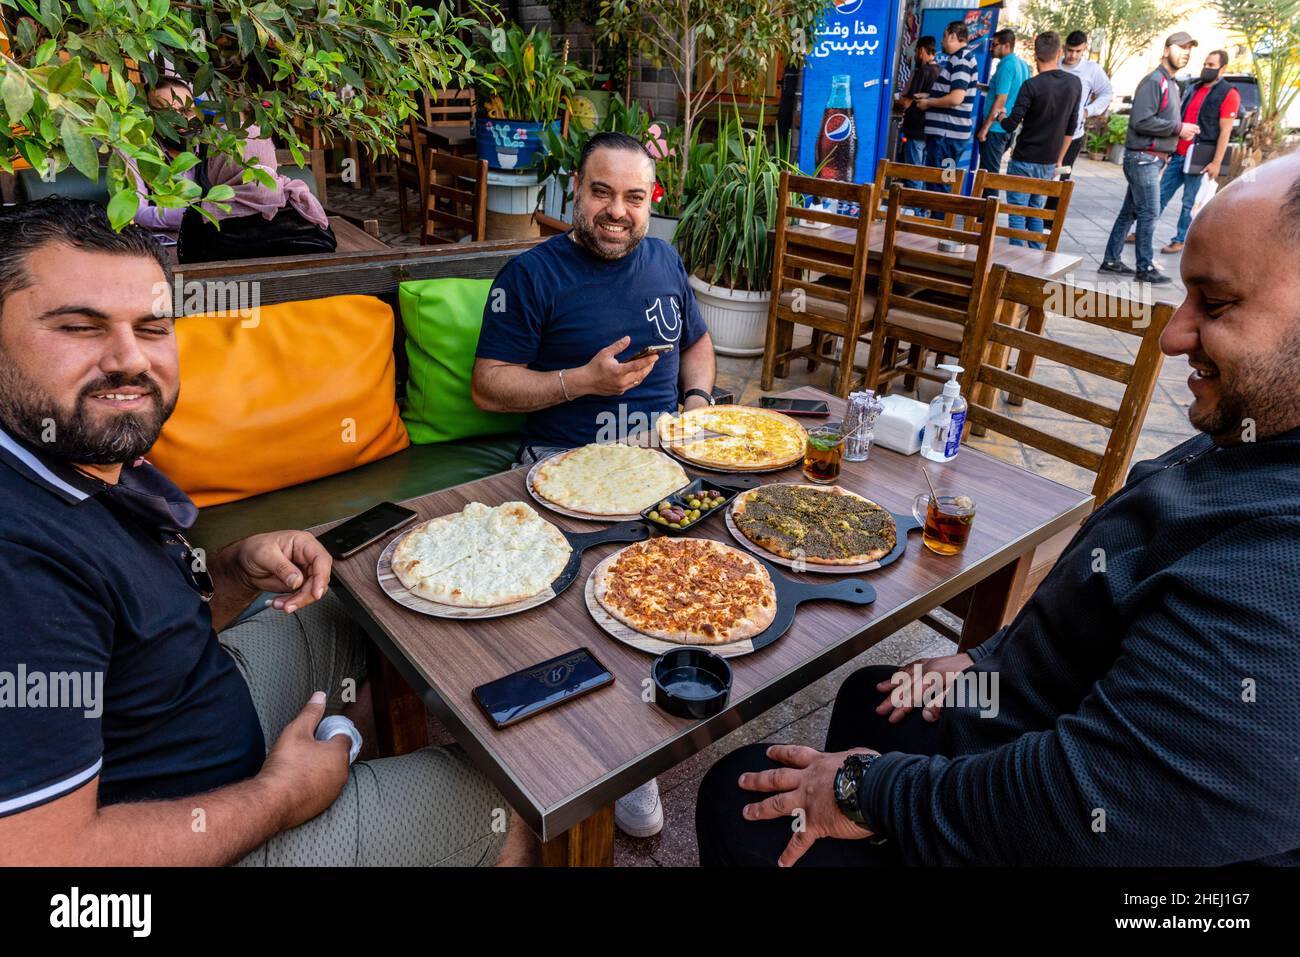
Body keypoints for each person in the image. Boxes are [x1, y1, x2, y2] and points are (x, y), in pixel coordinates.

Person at [694, 150, 1300, 866]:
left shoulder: (1279, 569)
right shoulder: (1258, 437)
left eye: (1217, 303)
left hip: (1054, 825)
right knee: (873, 692)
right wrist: (990, 660)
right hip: (1037, 719)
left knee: (733, 796)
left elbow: (1087, 807)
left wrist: (865, 790)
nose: (1173, 334)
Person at [0, 198, 528, 866]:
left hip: (194, 703)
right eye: (80, 326)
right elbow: (51, 868)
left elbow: (138, 635)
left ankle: (366, 784)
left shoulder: (81, 459)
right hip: (193, 832)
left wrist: (232, 570)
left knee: (349, 602)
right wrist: (281, 795)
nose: (129, 359)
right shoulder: (19, 564)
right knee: (503, 797)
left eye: (154, 326)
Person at [472, 131, 717, 837]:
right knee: (603, 606)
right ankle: (608, 764)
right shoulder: (531, 274)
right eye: (602, 192)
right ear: (575, 190)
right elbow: (488, 386)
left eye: (634, 197)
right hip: (564, 469)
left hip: (667, 466)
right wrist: (581, 381)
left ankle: (669, 712)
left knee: (709, 572)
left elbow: (696, 341)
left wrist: (697, 404)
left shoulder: (664, 257)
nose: (617, 211)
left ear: (651, 201)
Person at [129, 76, 335, 261]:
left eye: (185, 110)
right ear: (148, 114)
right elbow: (138, 212)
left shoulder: (216, 146)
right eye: (166, 111)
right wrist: (201, 212)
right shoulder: (138, 154)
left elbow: (254, 189)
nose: (179, 119)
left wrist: (206, 213)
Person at [1100, 31, 1200, 284]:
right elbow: (1141, 120)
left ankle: (1111, 261)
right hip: (1143, 158)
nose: (1185, 53)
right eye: (1181, 47)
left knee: (1130, 213)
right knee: (1149, 213)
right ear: (1166, 50)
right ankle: (1144, 267)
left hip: (1150, 158)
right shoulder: (1155, 81)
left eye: (1189, 49)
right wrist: (1178, 129)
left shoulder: (1172, 83)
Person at [994, 31, 1082, 248]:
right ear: (1060, 52)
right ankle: (1037, 260)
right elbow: (1072, 126)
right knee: (1036, 212)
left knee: (1017, 212)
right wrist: (1060, 159)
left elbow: (1011, 124)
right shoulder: (1074, 83)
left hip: (1024, 158)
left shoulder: (1031, 85)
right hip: (1049, 161)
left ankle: (1017, 261)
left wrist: (1001, 115)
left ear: (1036, 55)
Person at [1150, 49, 1240, 254]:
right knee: (1159, 195)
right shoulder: (1194, 87)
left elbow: (1225, 131)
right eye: (1205, 64)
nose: (1206, 68)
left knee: (1189, 202)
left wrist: (1216, 162)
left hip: (1201, 157)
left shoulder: (1229, 93)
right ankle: (1143, 231)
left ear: (1222, 69)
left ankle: (1181, 239)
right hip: (1179, 153)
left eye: (1211, 66)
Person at [913, 21, 979, 205]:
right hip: (948, 137)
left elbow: (957, 98)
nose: (941, 42)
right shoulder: (960, 58)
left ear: (952, 35)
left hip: (946, 138)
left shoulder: (961, 59)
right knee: (943, 183)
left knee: (939, 186)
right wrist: (930, 95)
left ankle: (939, 227)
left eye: (944, 36)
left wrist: (928, 103)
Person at [1052, 30, 1113, 210]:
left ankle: (1048, 225)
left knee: (1060, 176)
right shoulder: (1055, 65)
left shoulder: (1091, 69)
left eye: (1078, 51)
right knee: (1043, 175)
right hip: (1050, 131)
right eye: (1070, 50)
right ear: (1064, 48)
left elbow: (1107, 93)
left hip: (1073, 134)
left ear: (1084, 49)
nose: (1073, 55)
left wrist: (1088, 111)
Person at [976, 29, 1030, 184]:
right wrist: (983, 87)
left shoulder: (1006, 65)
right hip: (1008, 128)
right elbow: (1014, 92)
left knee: (988, 177)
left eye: (994, 45)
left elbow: (1001, 99)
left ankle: (990, 206)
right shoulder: (1022, 65)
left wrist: (985, 128)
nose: (991, 48)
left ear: (1006, 45)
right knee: (989, 174)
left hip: (995, 129)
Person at [895, 36, 940, 184]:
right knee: (924, 173)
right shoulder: (941, 71)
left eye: (915, 51)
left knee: (913, 174)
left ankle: (915, 207)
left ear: (921, 51)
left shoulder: (922, 71)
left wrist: (895, 100)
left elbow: (907, 102)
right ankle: (921, 206)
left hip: (916, 130)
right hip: (932, 130)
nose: (914, 55)